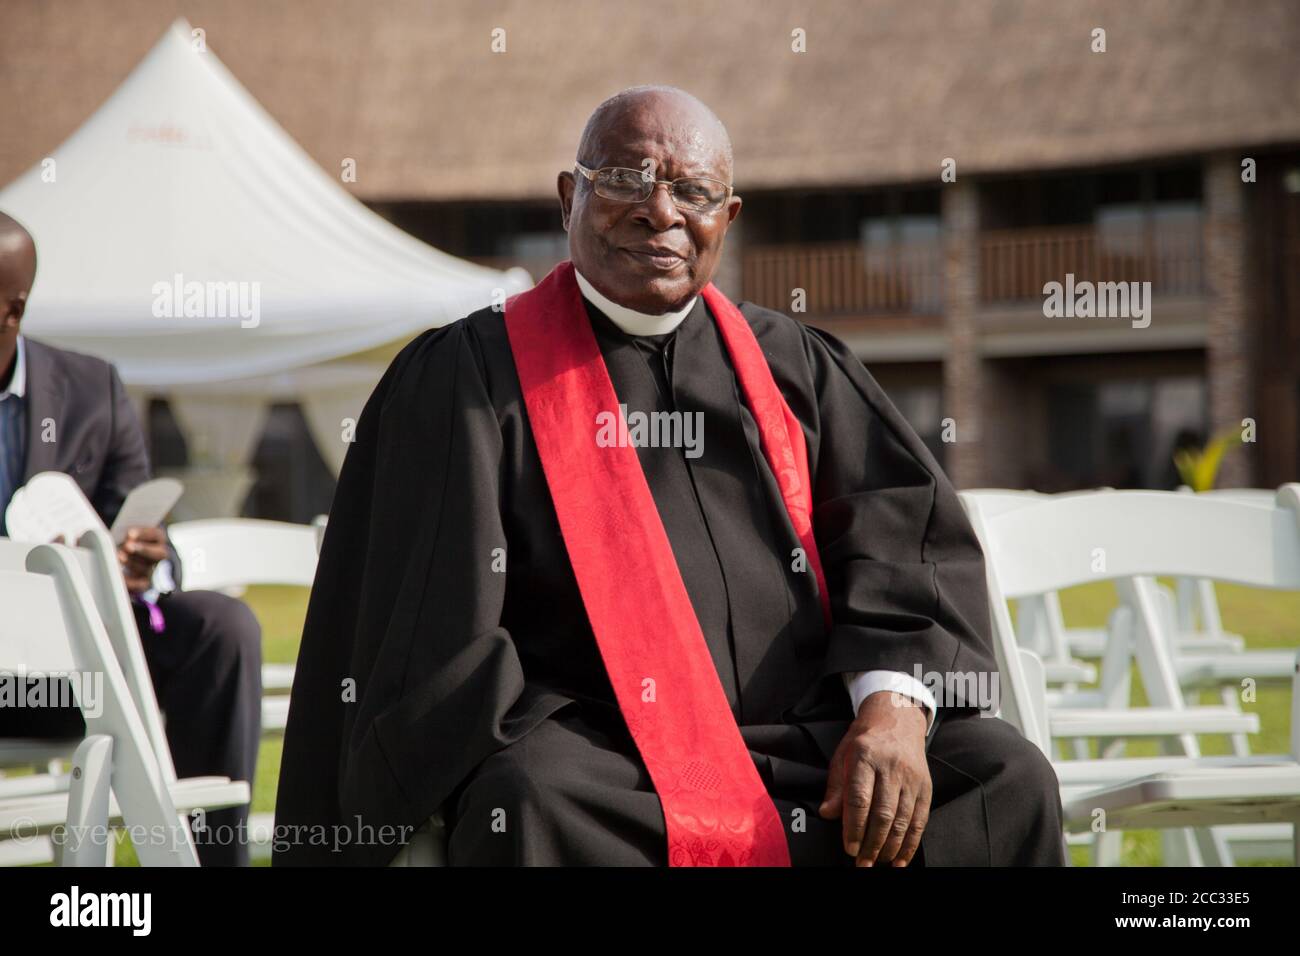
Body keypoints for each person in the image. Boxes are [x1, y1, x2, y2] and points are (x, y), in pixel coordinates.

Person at [275, 86, 1065, 867]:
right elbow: (429, 629)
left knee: (1001, 777)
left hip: (809, 745)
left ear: (729, 217)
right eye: (624, 179)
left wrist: (892, 709)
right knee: (527, 799)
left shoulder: (798, 368)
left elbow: (905, 546)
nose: (661, 211)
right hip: (611, 766)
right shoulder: (469, 376)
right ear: (567, 198)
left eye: (694, 191)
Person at [0, 211, 262, 866]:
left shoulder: (92, 391)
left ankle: (207, 861)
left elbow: (142, 529)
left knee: (222, 625)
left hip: (92, 667)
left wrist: (145, 561)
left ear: (14, 307)